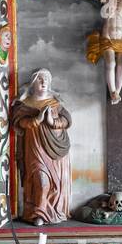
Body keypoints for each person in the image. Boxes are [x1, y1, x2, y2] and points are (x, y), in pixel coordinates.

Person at [10, 68, 72, 225]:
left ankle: (52, 211)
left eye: (46, 79)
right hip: (35, 148)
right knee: (41, 180)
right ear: (33, 82)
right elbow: (19, 123)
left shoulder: (56, 103)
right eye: (40, 79)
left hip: (56, 150)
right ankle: (39, 213)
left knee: (56, 184)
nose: (44, 82)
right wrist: (37, 119)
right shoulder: (25, 104)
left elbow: (66, 121)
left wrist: (52, 122)